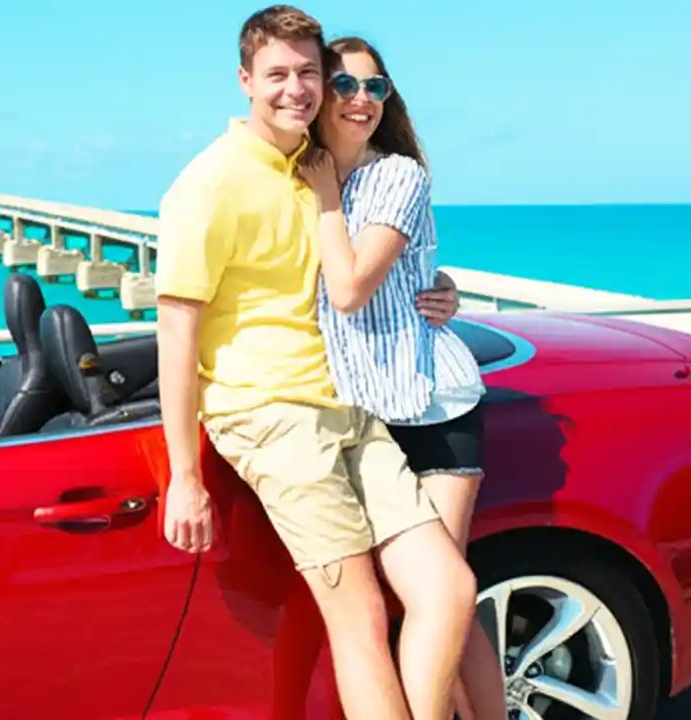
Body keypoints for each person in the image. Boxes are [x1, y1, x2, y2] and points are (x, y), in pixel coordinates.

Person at [155, 6, 476, 719]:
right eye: (277, 74)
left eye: (309, 73)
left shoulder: (316, 165)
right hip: (271, 415)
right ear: (244, 80)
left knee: (447, 588)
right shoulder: (209, 185)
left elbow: (366, 274)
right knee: (358, 614)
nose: (295, 89)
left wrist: (439, 292)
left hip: (352, 406)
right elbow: (176, 331)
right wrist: (183, 476)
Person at [297, 36, 504, 720]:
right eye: (346, 86)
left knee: (442, 595)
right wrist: (439, 283)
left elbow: (352, 287)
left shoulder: (397, 176)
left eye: (375, 88)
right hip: (365, 418)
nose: (361, 100)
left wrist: (327, 198)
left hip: (433, 408)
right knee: (441, 599)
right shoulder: (296, 176)